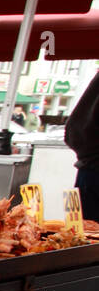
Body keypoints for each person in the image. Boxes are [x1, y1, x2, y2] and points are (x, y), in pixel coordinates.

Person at [65, 74, 99, 219]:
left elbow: (75, 130)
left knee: (79, 234)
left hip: (87, 167)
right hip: (92, 168)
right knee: (80, 234)